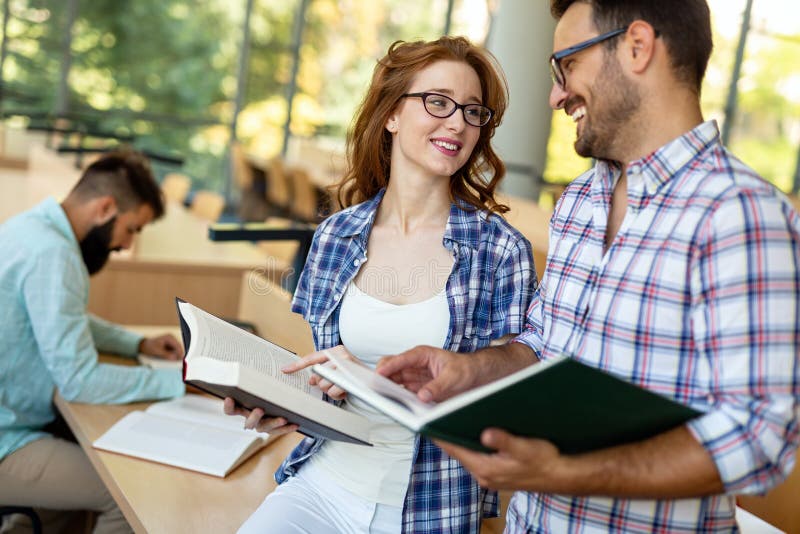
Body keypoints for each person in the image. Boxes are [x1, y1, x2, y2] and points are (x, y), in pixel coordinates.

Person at [377, 1, 800, 532]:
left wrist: (567, 472)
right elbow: (544, 347)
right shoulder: (580, 201)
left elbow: (760, 439)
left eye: (567, 66)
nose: (555, 95)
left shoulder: (741, 214)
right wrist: (470, 370)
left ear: (637, 47)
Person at [225, 36, 536, 533]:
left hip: (425, 509)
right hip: (322, 486)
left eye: (472, 111)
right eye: (437, 102)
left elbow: (508, 407)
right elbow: (326, 383)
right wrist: (282, 404)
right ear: (391, 114)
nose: (457, 122)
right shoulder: (335, 235)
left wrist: (371, 383)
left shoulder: (501, 251)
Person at [0, 150, 186, 533]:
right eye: (132, 229)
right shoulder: (53, 254)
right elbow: (80, 381)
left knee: (83, 469)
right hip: (6, 439)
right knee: (126, 495)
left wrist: (135, 345)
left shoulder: (31, 228)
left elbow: (62, 316)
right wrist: (186, 380)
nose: (126, 245)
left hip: (13, 421)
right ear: (105, 208)